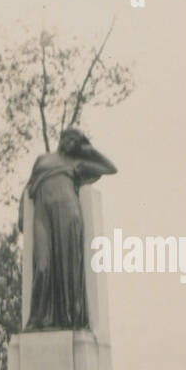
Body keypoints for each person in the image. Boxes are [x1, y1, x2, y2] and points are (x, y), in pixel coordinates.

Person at [19, 128, 118, 331]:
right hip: (42, 214)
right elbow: (28, 187)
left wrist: (89, 150)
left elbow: (110, 168)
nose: (70, 142)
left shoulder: (77, 163)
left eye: (75, 141)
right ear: (62, 139)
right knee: (42, 264)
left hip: (68, 213)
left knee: (68, 265)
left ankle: (68, 319)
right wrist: (21, 214)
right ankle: (37, 319)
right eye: (68, 138)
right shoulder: (42, 159)